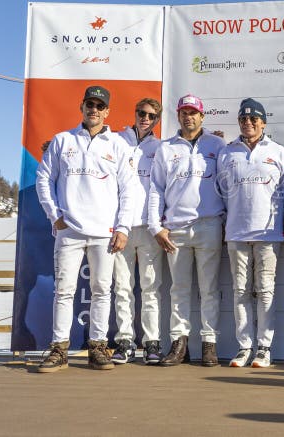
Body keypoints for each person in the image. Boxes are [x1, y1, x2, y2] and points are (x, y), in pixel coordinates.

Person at [35, 85, 133, 372]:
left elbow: (129, 190)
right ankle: (58, 349)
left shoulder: (117, 145)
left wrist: (123, 227)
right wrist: (55, 216)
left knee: (102, 289)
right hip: (69, 230)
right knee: (64, 291)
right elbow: (44, 179)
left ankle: (98, 347)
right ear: (82, 107)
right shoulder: (63, 140)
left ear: (107, 111)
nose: (94, 110)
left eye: (100, 106)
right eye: (90, 104)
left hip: (105, 232)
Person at [148, 94, 226, 367]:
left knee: (210, 289)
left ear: (202, 116)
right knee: (179, 290)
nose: (188, 117)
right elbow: (156, 189)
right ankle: (179, 344)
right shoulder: (166, 148)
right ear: (178, 115)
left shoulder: (217, 145)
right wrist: (156, 226)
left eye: (193, 112)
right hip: (176, 229)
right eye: (183, 112)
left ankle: (209, 344)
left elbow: (227, 187)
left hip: (209, 225)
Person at [217, 98, 284, 369]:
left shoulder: (280, 152)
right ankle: (244, 346)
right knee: (239, 291)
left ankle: (264, 348)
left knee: (266, 290)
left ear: (263, 122)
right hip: (236, 231)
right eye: (243, 119)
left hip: (268, 232)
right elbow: (221, 192)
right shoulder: (227, 153)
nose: (248, 123)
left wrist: (279, 223)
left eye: (254, 119)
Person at [111, 98, 164, 365]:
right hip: (120, 227)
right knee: (122, 288)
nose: (145, 118)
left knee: (150, 288)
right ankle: (124, 341)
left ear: (157, 120)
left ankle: (151, 343)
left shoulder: (161, 147)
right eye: (141, 113)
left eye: (151, 116)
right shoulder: (116, 140)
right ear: (134, 114)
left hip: (148, 227)